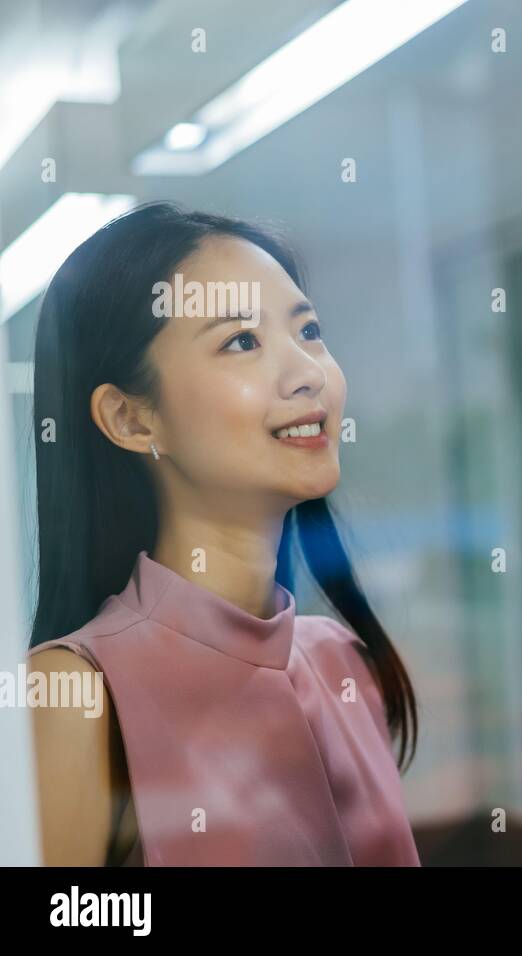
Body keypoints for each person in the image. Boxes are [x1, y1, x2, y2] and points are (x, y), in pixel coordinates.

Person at [25, 202, 420, 866]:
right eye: (242, 341)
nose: (308, 373)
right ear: (130, 418)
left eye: (310, 330)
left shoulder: (342, 661)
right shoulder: (73, 694)